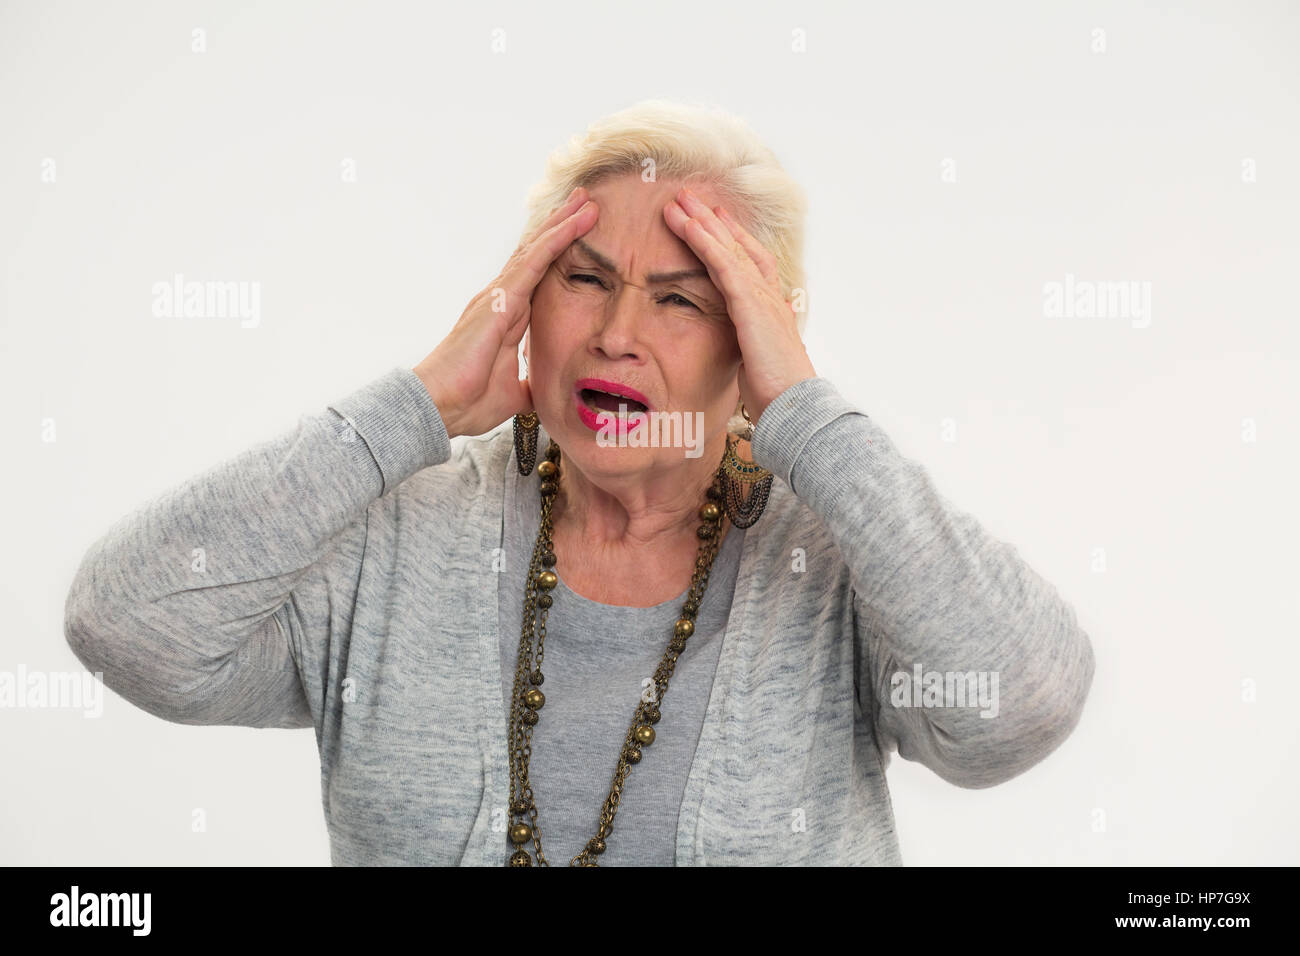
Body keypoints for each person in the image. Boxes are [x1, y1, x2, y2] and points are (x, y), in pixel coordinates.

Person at [64, 99, 1095, 866]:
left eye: (680, 299)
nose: (614, 334)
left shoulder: (836, 564)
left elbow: (1019, 708)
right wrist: (410, 408)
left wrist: (806, 419)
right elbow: (124, 622)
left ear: (757, 336)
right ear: (523, 301)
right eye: (584, 278)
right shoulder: (396, 541)